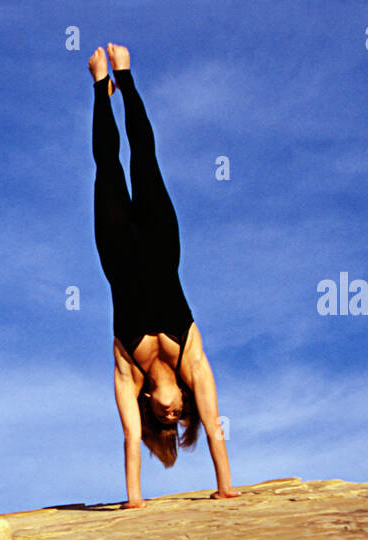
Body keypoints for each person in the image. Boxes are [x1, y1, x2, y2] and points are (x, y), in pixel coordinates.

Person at [90, 43, 239, 508]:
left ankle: (101, 85)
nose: (173, 414)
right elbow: (215, 425)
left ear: (152, 411)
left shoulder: (128, 376)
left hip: (116, 254)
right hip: (161, 243)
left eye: (165, 420)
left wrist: (134, 499)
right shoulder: (192, 363)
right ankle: (126, 75)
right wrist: (225, 486)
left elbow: (131, 440)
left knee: (109, 168)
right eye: (178, 417)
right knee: (146, 160)